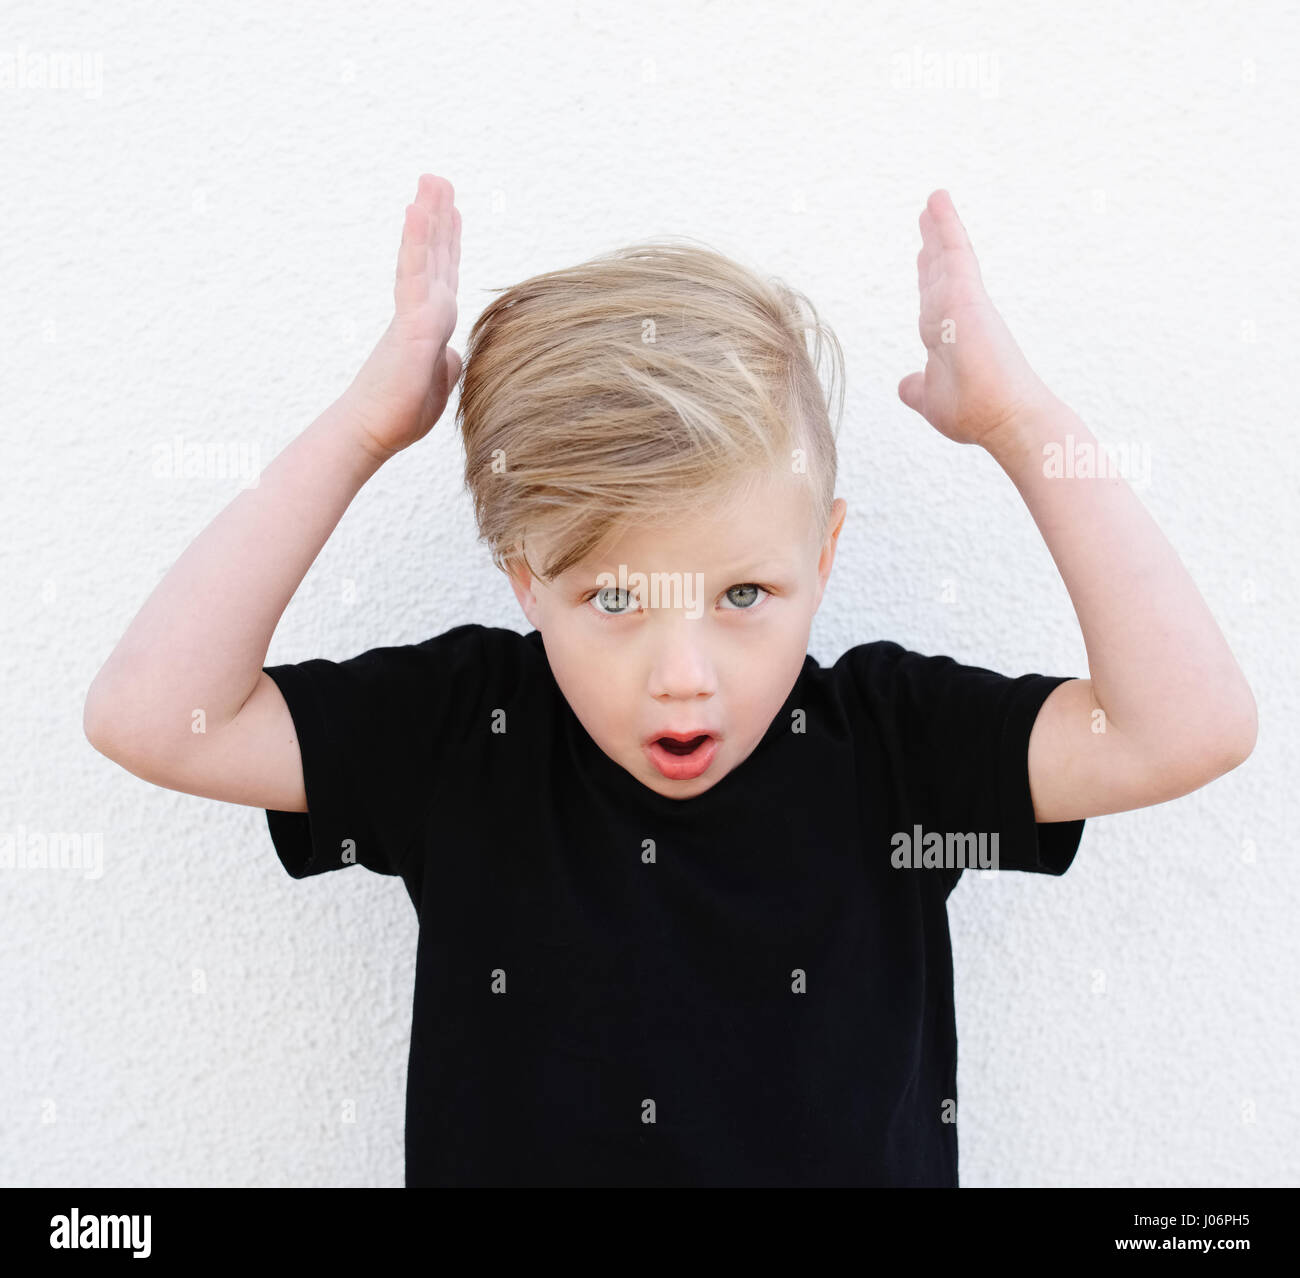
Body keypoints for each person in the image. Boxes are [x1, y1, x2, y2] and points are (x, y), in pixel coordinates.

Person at [82, 174, 1257, 1187]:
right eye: (612, 602)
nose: (683, 679)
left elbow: (1186, 726)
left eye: (744, 597)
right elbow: (153, 715)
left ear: (824, 557)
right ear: (525, 580)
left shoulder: (900, 754)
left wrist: (1019, 419)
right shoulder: (460, 735)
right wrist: (358, 428)